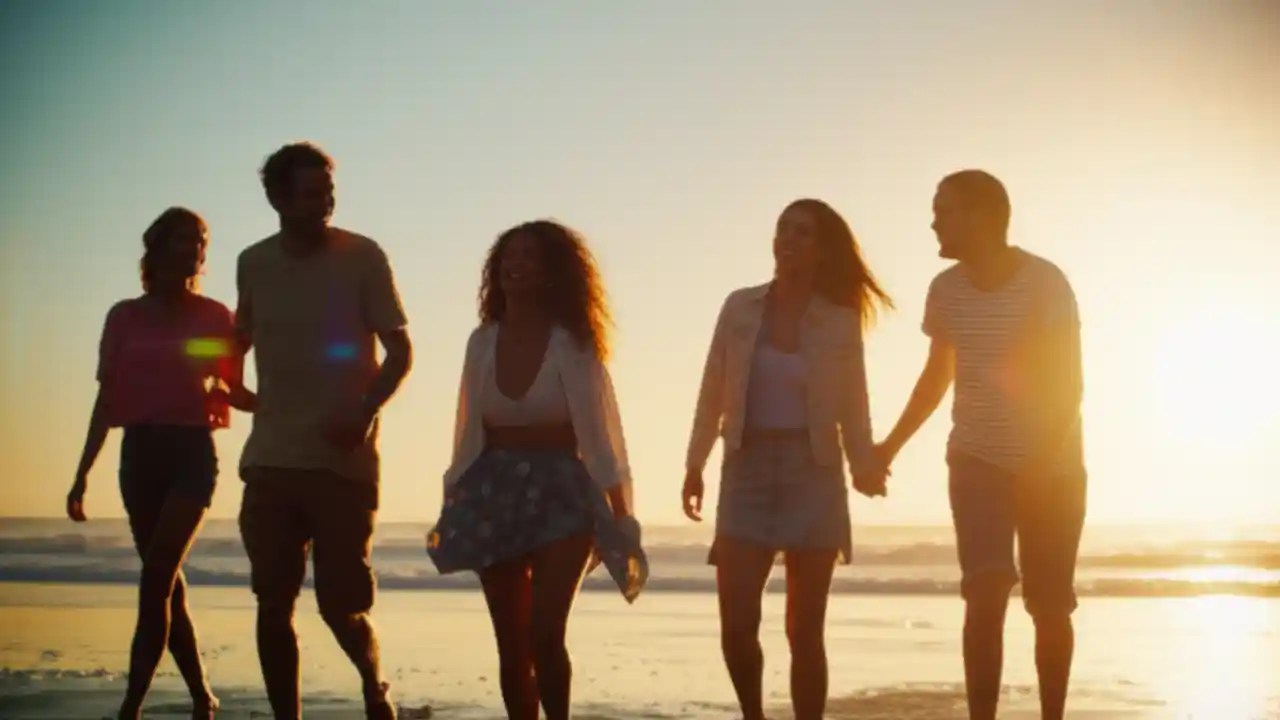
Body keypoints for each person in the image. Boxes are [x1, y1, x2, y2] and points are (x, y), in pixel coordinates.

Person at [875, 170, 1086, 720]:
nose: (933, 222)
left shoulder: (1045, 283)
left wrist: (1040, 463)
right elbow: (935, 378)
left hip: (1054, 468)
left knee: (1048, 604)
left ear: (983, 217)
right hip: (976, 461)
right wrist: (888, 448)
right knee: (985, 594)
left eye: (943, 210)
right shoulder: (945, 291)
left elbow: (1069, 384)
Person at [427, 220, 648, 720]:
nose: (515, 264)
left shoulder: (573, 343)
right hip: (493, 489)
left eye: (528, 256)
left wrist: (620, 512)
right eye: (509, 255)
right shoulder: (481, 342)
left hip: (562, 491)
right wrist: (453, 499)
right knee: (511, 644)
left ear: (552, 272)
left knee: (545, 633)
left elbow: (599, 433)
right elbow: (467, 430)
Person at [682, 199, 892, 720]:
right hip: (746, 468)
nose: (787, 240)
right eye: (782, 230)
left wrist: (865, 464)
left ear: (822, 251)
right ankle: (753, 714)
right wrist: (695, 463)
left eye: (801, 233)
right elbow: (712, 388)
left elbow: (854, 404)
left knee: (805, 628)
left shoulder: (839, 321)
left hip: (814, 471)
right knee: (736, 624)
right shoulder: (739, 307)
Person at [234, 142, 412, 720]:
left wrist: (363, 413)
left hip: (343, 463)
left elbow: (400, 352)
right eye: (312, 194)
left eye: (329, 192)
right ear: (277, 198)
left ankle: (373, 685)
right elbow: (239, 337)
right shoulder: (253, 262)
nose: (325, 204)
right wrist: (217, 375)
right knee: (272, 603)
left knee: (341, 607)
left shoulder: (363, 257)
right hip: (271, 460)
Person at [69, 207, 249, 720]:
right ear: (156, 248)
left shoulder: (216, 316)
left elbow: (231, 388)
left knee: (156, 578)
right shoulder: (124, 316)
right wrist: (82, 473)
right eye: (183, 239)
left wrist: (296, 401)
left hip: (192, 453)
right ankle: (202, 699)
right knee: (166, 581)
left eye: (200, 241)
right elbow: (107, 400)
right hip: (139, 455)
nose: (194, 248)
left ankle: (131, 706)